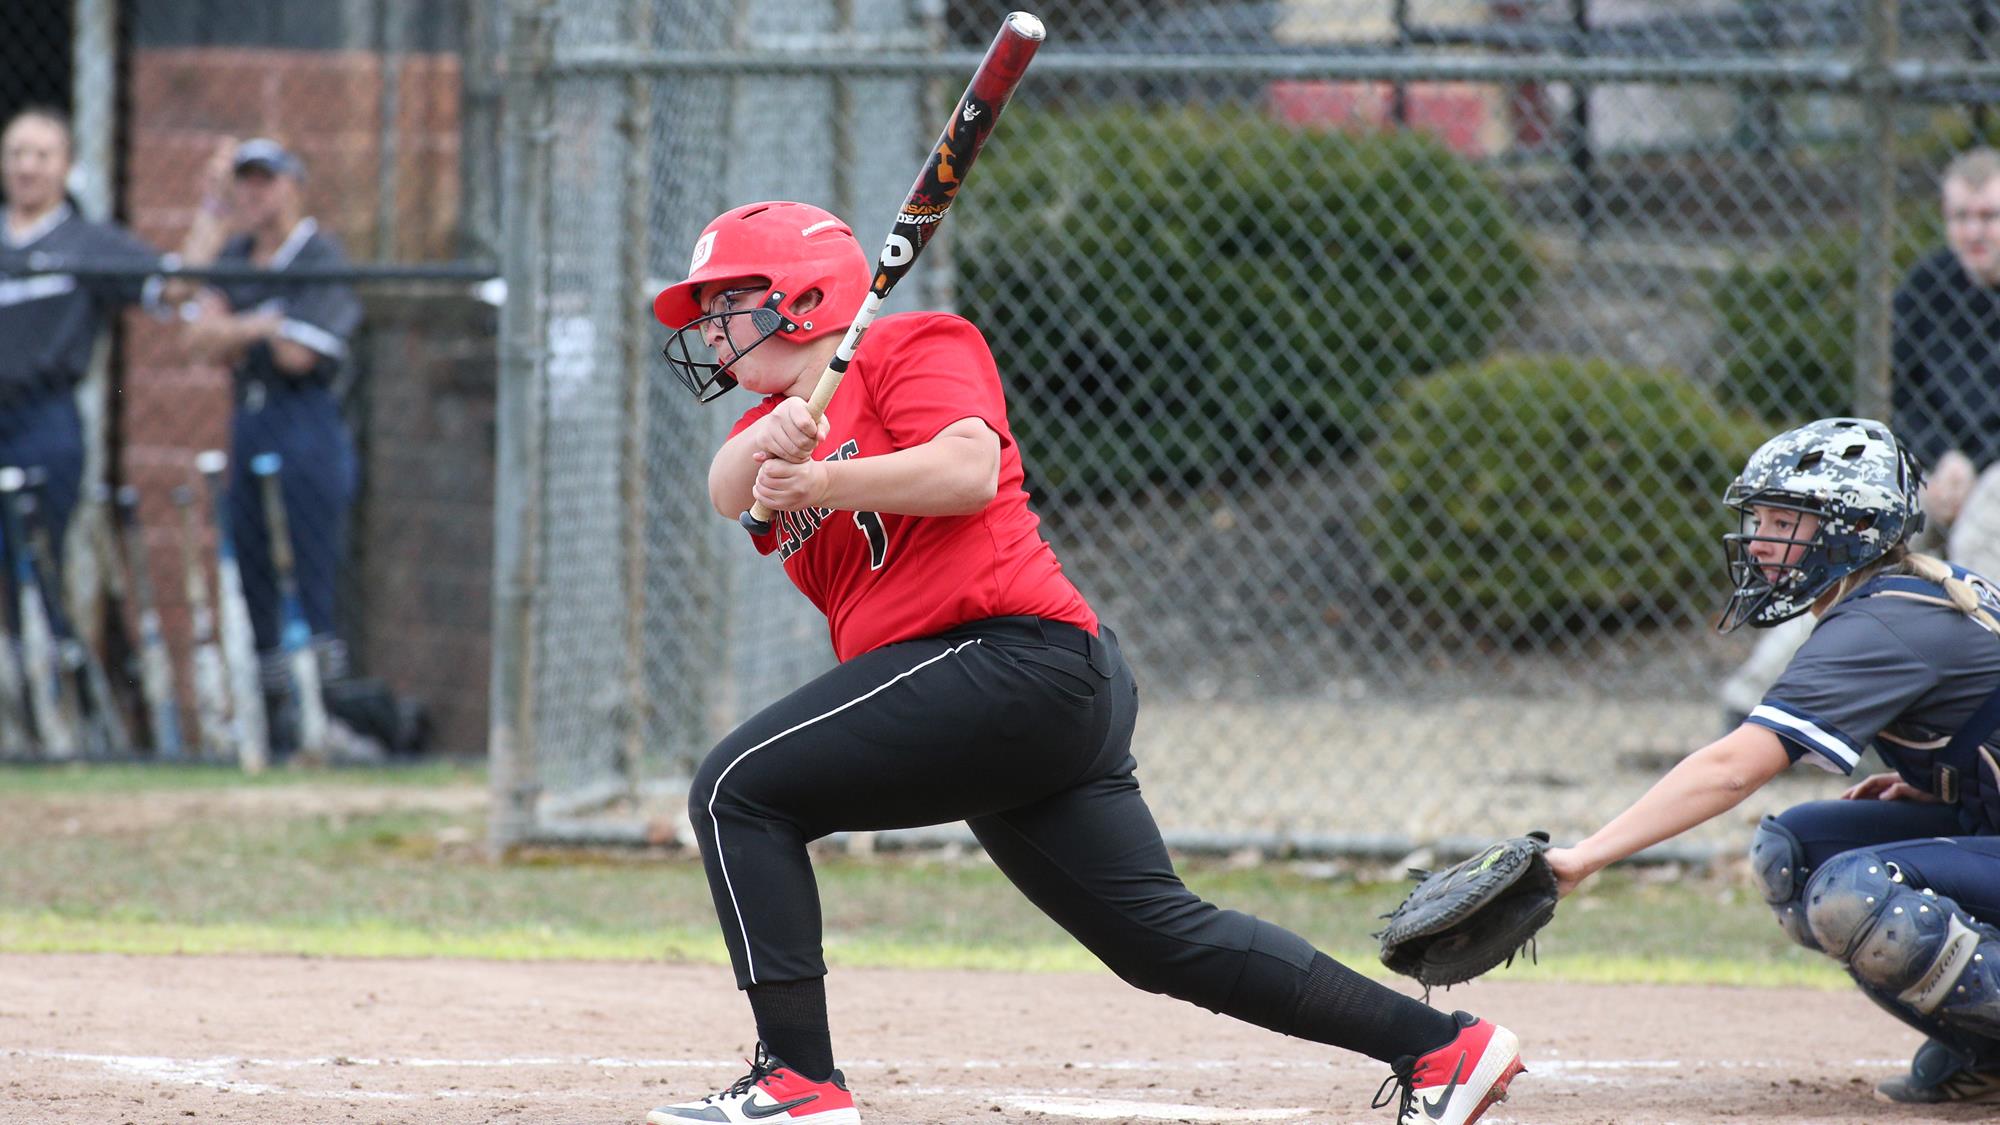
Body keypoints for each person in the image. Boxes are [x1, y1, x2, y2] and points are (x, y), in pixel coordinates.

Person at [644, 200, 1527, 1125]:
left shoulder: (914, 344)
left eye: (727, 300)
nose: (709, 326)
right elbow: (723, 489)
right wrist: (778, 438)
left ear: (804, 295)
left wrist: (825, 476)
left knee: (735, 788)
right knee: (1159, 941)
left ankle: (797, 1080)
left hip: (1013, 659)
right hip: (996, 698)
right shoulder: (780, 421)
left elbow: (966, 471)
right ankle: (1444, 1047)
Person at [1546, 416, 2000, 1106]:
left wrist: (1585, 857)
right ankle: (1987, 1054)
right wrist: (1948, 789)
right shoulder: (1903, 594)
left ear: (1853, 529)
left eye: (1785, 521)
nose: (1759, 539)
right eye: (1759, 518)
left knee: (1858, 891)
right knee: (1797, 848)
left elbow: (1733, 767)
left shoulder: (1880, 622)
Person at [170, 137, 361, 756]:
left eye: (266, 180)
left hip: (306, 425)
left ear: (293, 184)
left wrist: (238, 328)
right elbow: (195, 339)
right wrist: (262, 321)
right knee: (251, 572)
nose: (255, 194)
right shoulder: (234, 253)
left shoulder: (319, 254)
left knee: (308, 573)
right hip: (248, 421)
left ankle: (324, 720)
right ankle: (274, 726)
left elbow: (299, 353)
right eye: (244, 182)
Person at [0, 106, 162, 566]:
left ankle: (47, 637)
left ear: (67, 166)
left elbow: (173, 285)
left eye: (41, 155)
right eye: (16, 153)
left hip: (43, 416)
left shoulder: (88, 241)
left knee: (38, 559)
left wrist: (212, 212)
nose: (27, 166)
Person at [1893, 146, 2000, 578]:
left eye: (1989, 217)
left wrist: (1973, 463)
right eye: (1961, 217)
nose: (1975, 232)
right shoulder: (1925, 287)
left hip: (1991, 467)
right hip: (1938, 465)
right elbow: (1901, 396)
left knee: (1980, 533)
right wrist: (1940, 460)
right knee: (1867, 535)